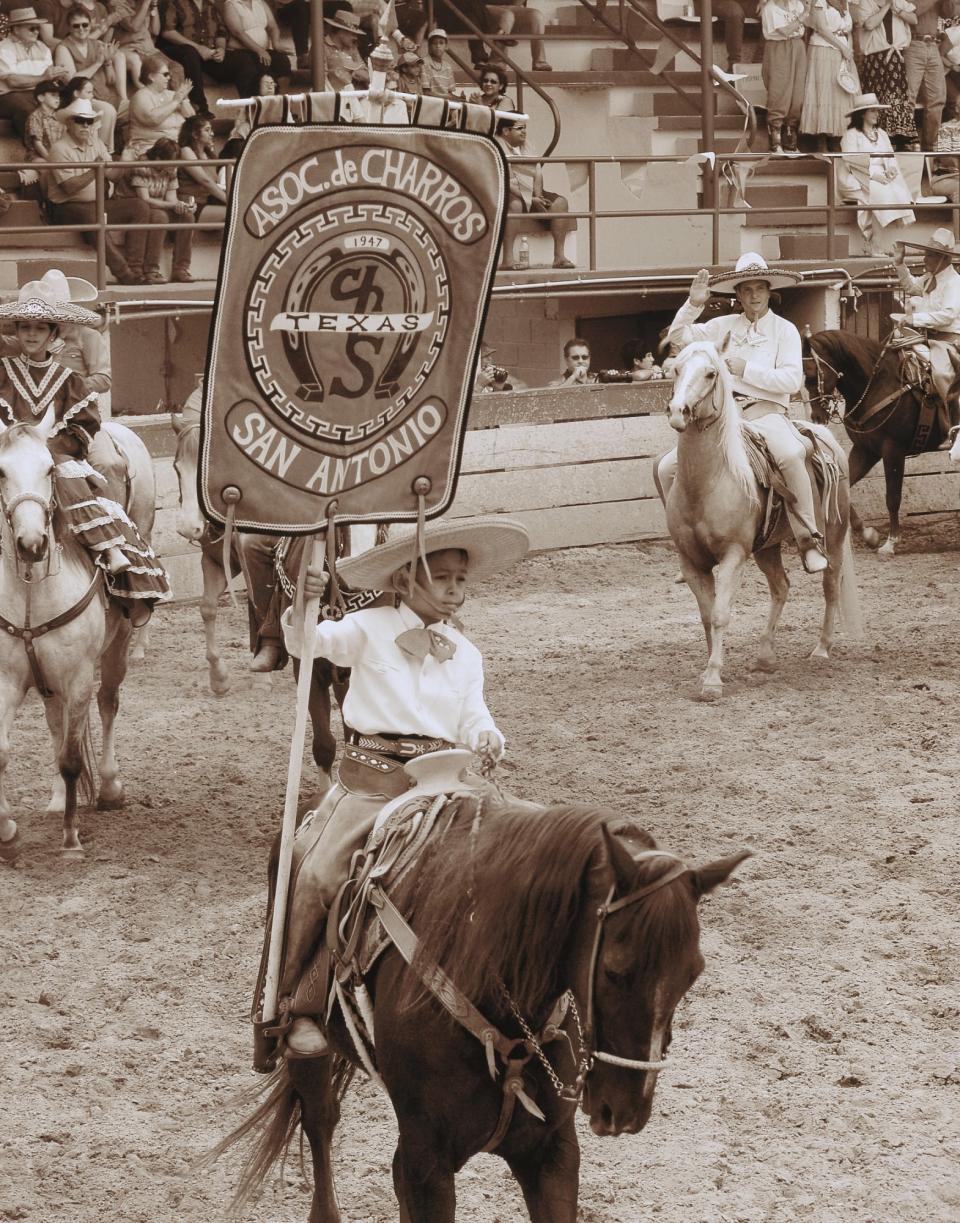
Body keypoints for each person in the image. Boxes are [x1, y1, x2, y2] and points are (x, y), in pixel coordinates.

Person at [254, 515, 530, 1064]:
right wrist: (302, 607)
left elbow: (474, 713)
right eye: (442, 577)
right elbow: (311, 642)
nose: (455, 589)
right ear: (404, 580)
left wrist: (488, 736)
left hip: (447, 779)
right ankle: (296, 1004)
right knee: (318, 871)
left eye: (461, 579)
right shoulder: (368, 627)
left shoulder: (466, 653)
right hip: (371, 781)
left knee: (523, 853)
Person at [0, 277, 171, 626]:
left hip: (53, 455)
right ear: (15, 331)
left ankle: (110, 550)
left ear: (54, 333)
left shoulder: (69, 380)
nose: (31, 334)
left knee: (67, 477)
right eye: (24, 327)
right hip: (7, 455)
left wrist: (45, 449)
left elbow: (84, 424)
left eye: (39, 328)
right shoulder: (2, 373)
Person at [658, 253, 830, 575]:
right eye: (746, 289)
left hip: (768, 413)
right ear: (737, 294)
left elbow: (792, 380)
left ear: (769, 291)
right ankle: (687, 543)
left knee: (791, 454)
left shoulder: (785, 331)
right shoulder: (721, 326)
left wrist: (746, 369)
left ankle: (808, 539)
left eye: (759, 288)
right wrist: (693, 305)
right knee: (668, 466)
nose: (753, 296)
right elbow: (678, 338)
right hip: (724, 418)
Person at [45, 97, 152, 284]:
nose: (86, 125)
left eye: (90, 121)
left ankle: (136, 268)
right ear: (69, 123)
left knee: (140, 207)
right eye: (80, 120)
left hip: (97, 204)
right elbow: (69, 188)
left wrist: (125, 161)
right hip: (65, 207)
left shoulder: (97, 143)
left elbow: (113, 176)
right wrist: (95, 169)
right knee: (93, 216)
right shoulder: (59, 148)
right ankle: (125, 273)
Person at [890, 227, 960, 431]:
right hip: (926, 338)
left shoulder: (955, 283)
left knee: (940, 375)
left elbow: (948, 315)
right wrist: (899, 263)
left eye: (929, 255)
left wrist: (915, 318)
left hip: (949, 341)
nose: (924, 259)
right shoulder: (929, 278)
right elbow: (911, 287)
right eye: (925, 254)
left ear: (943, 258)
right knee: (894, 355)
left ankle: (954, 423)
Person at [496, 116, 575, 270]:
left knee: (560, 203)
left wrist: (538, 197)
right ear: (506, 131)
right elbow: (506, 181)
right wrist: (531, 200)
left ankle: (559, 257)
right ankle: (507, 261)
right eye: (519, 128)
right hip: (506, 192)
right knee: (515, 205)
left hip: (529, 193)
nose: (524, 132)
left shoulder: (527, 145)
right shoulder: (497, 146)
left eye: (525, 128)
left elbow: (537, 172)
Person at [839, 92, 915, 253]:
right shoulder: (851, 135)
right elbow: (850, 163)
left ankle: (873, 243)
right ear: (862, 114)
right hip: (857, 178)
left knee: (896, 189)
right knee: (879, 192)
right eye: (872, 110)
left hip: (882, 177)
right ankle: (875, 245)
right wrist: (873, 176)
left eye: (877, 111)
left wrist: (891, 170)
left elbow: (890, 157)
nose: (876, 114)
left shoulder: (882, 134)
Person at [118, 135, 195, 282]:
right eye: (171, 162)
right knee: (160, 217)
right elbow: (144, 199)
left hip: (158, 205)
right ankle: (151, 269)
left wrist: (181, 206)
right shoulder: (142, 165)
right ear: (158, 159)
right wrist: (172, 205)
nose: (174, 167)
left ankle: (181, 269)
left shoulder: (171, 168)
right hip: (138, 206)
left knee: (187, 217)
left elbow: (171, 198)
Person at [851, 0, 916, 148]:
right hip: (875, 59)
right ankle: (878, 140)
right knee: (877, 99)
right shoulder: (866, 3)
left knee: (897, 97)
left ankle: (898, 139)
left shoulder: (898, 2)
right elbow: (869, 24)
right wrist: (887, 6)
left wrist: (898, 10)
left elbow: (914, 19)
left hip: (895, 57)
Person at [0, 6, 68, 137]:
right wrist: (43, 77)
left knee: (70, 100)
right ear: (16, 29)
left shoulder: (42, 47)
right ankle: (36, 150)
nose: (37, 31)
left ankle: (66, 149)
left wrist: (56, 75)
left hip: (38, 92)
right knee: (29, 111)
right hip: (9, 95)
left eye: (38, 28)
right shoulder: (3, 48)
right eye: (32, 28)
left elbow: (49, 76)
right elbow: (12, 81)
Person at [801, 0, 859, 151]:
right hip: (823, 49)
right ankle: (822, 139)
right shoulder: (820, 2)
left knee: (840, 93)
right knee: (824, 92)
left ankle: (836, 138)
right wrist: (842, 47)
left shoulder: (843, 3)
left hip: (842, 51)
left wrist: (848, 49)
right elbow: (822, 28)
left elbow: (848, 30)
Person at [54, 5, 128, 113]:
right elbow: (72, 82)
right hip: (84, 101)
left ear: (90, 25)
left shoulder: (97, 44)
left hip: (107, 97)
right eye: (76, 26)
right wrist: (98, 64)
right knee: (109, 111)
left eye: (85, 25)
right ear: (69, 28)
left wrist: (108, 62)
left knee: (137, 111)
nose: (81, 29)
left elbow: (111, 81)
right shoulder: (63, 48)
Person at [759, 0, 807, 151]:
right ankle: (776, 141)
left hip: (797, 46)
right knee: (779, 92)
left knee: (797, 94)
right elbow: (784, 31)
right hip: (778, 47)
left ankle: (790, 139)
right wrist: (802, 16)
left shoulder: (797, 5)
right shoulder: (770, 9)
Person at [124, 51, 192, 157]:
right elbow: (153, 119)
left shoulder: (173, 94)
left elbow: (191, 118)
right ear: (151, 76)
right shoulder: (141, 96)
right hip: (151, 149)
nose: (169, 78)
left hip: (178, 147)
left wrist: (184, 99)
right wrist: (175, 101)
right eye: (165, 74)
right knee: (186, 153)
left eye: (169, 74)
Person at [903, 0, 948, 150]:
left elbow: (950, 13)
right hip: (913, 43)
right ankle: (905, 146)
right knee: (908, 97)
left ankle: (930, 148)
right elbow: (914, 11)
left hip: (933, 44)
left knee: (938, 98)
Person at [481, 0, 551, 71]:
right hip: (485, 6)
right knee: (507, 15)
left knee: (537, 15)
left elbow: (516, 3)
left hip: (511, 7)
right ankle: (497, 62)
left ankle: (540, 62)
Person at [59, 73, 116, 150]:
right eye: (88, 92)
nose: (92, 95)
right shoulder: (65, 115)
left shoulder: (92, 113)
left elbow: (94, 140)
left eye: (92, 92)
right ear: (76, 93)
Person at [322, 6, 364, 88]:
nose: (356, 37)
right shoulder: (321, 48)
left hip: (354, 94)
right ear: (341, 31)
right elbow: (322, 79)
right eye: (353, 34)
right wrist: (352, 70)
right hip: (334, 96)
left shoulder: (352, 47)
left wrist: (350, 71)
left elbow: (366, 74)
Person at [22, 75, 62, 159]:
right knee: (46, 170)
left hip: (57, 156)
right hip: (38, 156)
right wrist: (50, 160)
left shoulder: (60, 117)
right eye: (53, 95)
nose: (57, 98)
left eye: (58, 96)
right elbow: (37, 144)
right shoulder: (35, 117)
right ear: (41, 98)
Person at [420, 26, 456, 96]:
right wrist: (446, 97)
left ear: (446, 46)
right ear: (429, 46)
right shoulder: (424, 63)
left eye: (441, 43)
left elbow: (449, 93)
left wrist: (459, 98)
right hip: (431, 102)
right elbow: (426, 92)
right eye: (434, 43)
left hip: (445, 102)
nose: (438, 46)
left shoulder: (448, 66)